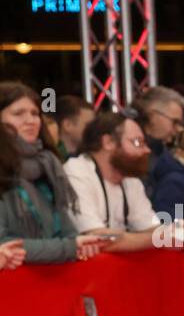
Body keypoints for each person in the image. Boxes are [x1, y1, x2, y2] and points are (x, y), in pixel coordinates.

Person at [0, 82, 110, 264]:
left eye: (35, 113)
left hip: (52, 281)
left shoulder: (49, 166)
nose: (31, 120)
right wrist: (68, 247)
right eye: (18, 114)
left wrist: (78, 243)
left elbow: (67, 230)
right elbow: (4, 244)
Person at [63, 112, 163, 251]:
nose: (147, 150)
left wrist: (179, 231)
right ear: (108, 142)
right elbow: (97, 238)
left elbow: (151, 227)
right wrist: (164, 237)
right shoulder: (76, 171)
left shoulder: (130, 179)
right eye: (137, 142)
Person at [134, 85, 184, 198]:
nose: (179, 129)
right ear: (152, 115)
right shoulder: (127, 151)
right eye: (175, 121)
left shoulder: (162, 153)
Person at [55, 95, 95, 160]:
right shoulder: (52, 161)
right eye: (88, 125)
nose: (93, 130)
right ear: (67, 125)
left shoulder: (88, 158)